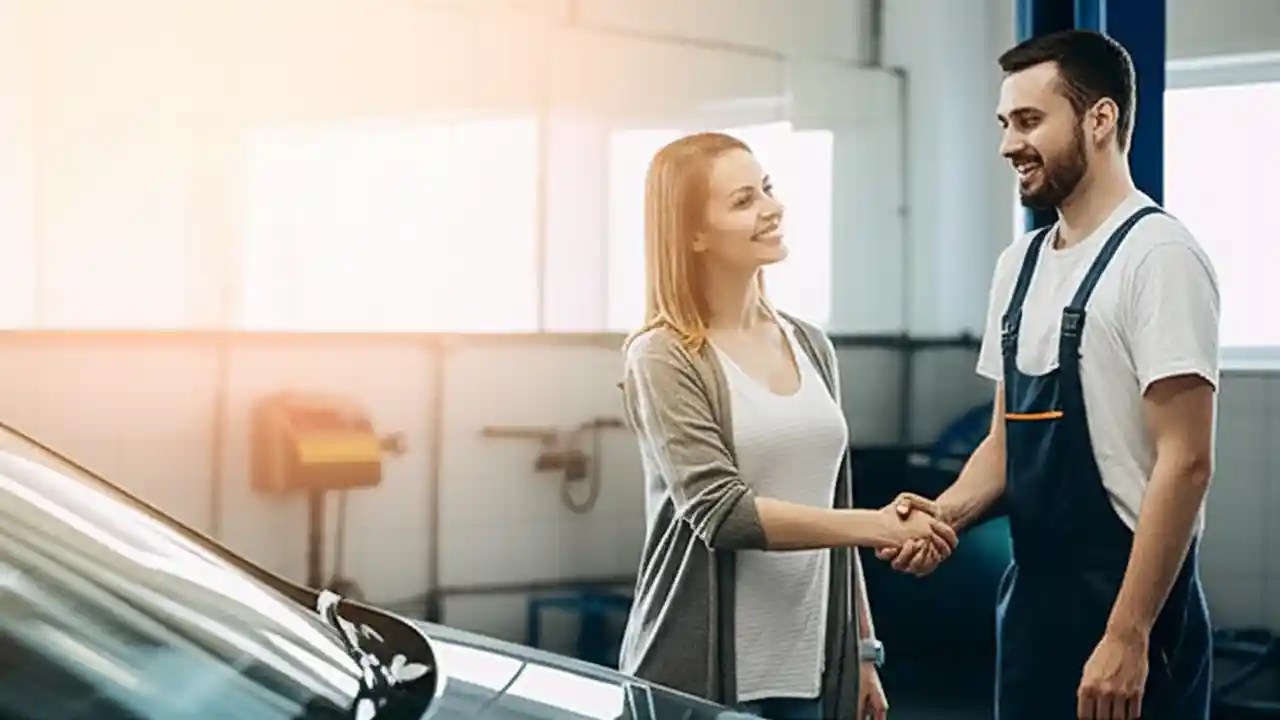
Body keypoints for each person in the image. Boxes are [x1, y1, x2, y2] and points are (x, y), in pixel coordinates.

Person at [878, 30, 1219, 720]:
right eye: (1005, 123)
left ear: (1100, 120)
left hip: (1134, 615)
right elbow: (1006, 444)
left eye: (1030, 121)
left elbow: (1185, 463)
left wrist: (1127, 634)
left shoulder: (1159, 257)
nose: (1009, 144)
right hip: (1032, 614)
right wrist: (943, 517)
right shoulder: (1020, 265)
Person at [616, 131, 958, 720]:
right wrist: (880, 526)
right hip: (695, 678)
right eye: (743, 200)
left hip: (810, 672)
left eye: (767, 189)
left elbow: (832, 508)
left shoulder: (811, 345)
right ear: (693, 234)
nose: (771, 208)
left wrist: (863, 651)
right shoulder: (663, 355)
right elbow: (723, 514)